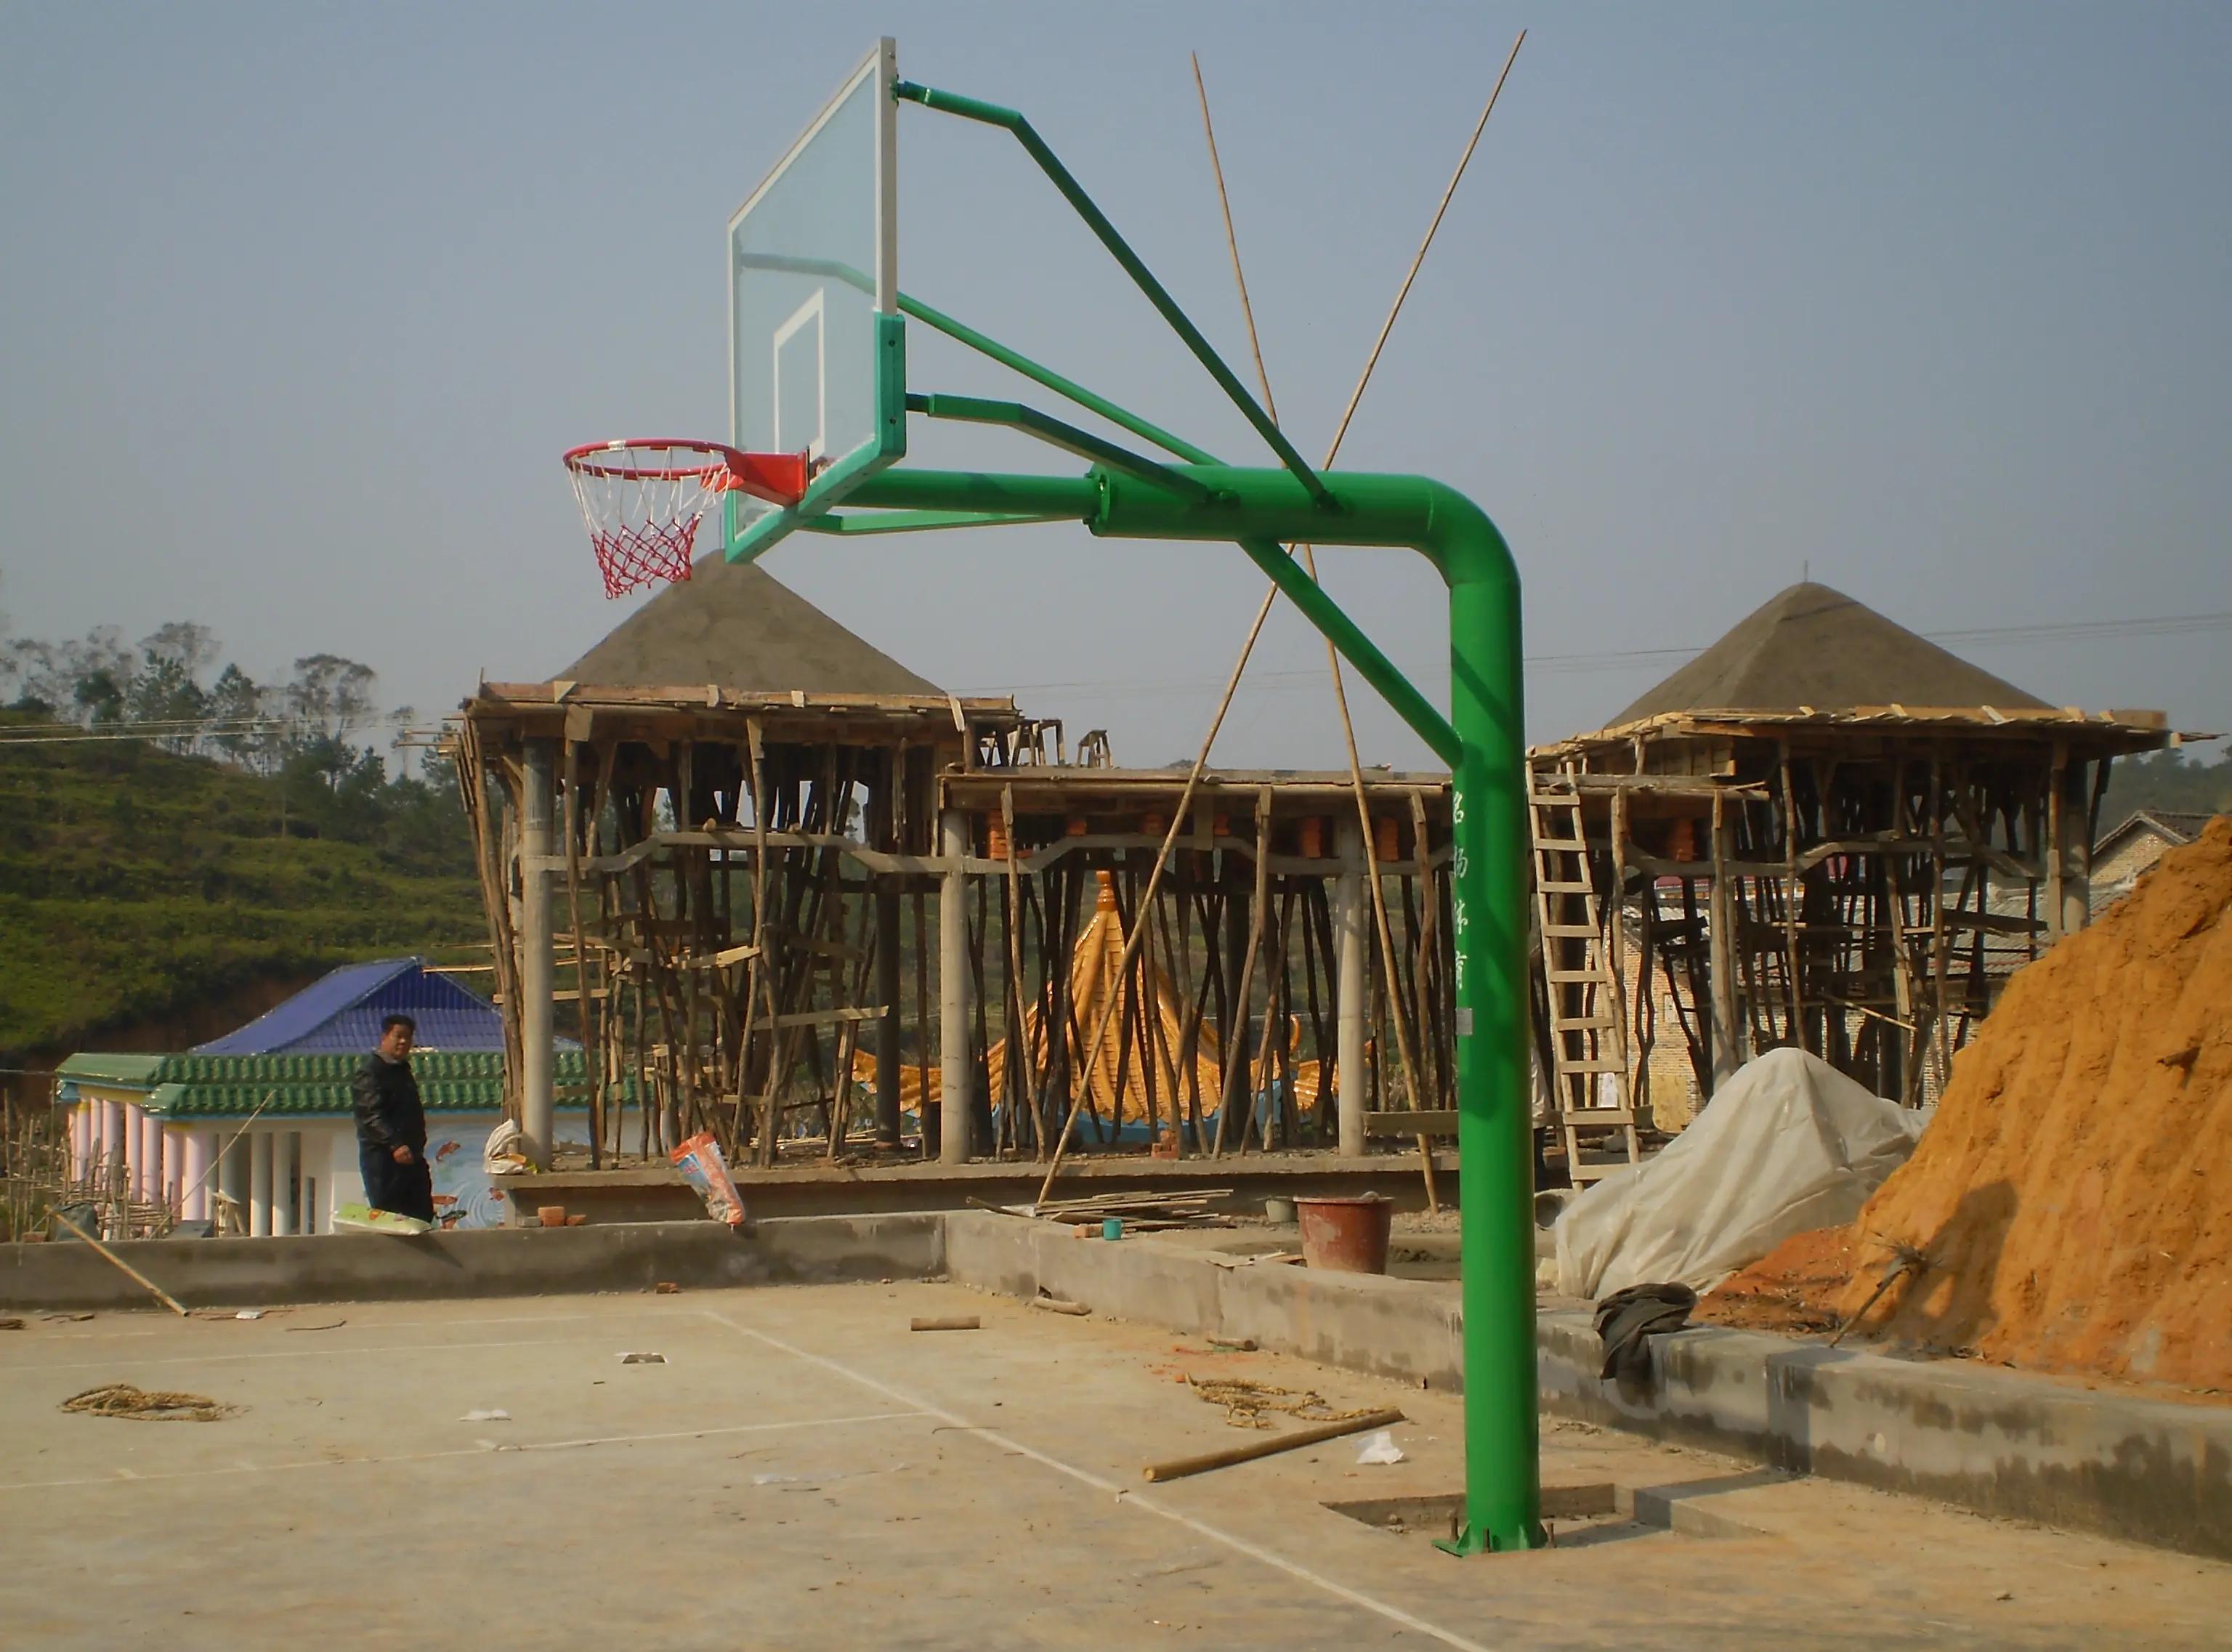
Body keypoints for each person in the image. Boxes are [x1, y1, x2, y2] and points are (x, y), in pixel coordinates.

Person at [353, 1013, 433, 1222]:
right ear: (385, 1037)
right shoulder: (371, 1072)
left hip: (412, 1158)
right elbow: (371, 1116)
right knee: (389, 1218)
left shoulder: (402, 1070)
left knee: (421, 1218)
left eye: (408, 1037)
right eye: (398, 1036)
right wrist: (395, 1144)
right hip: (384, 1161)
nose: (403, 1042)